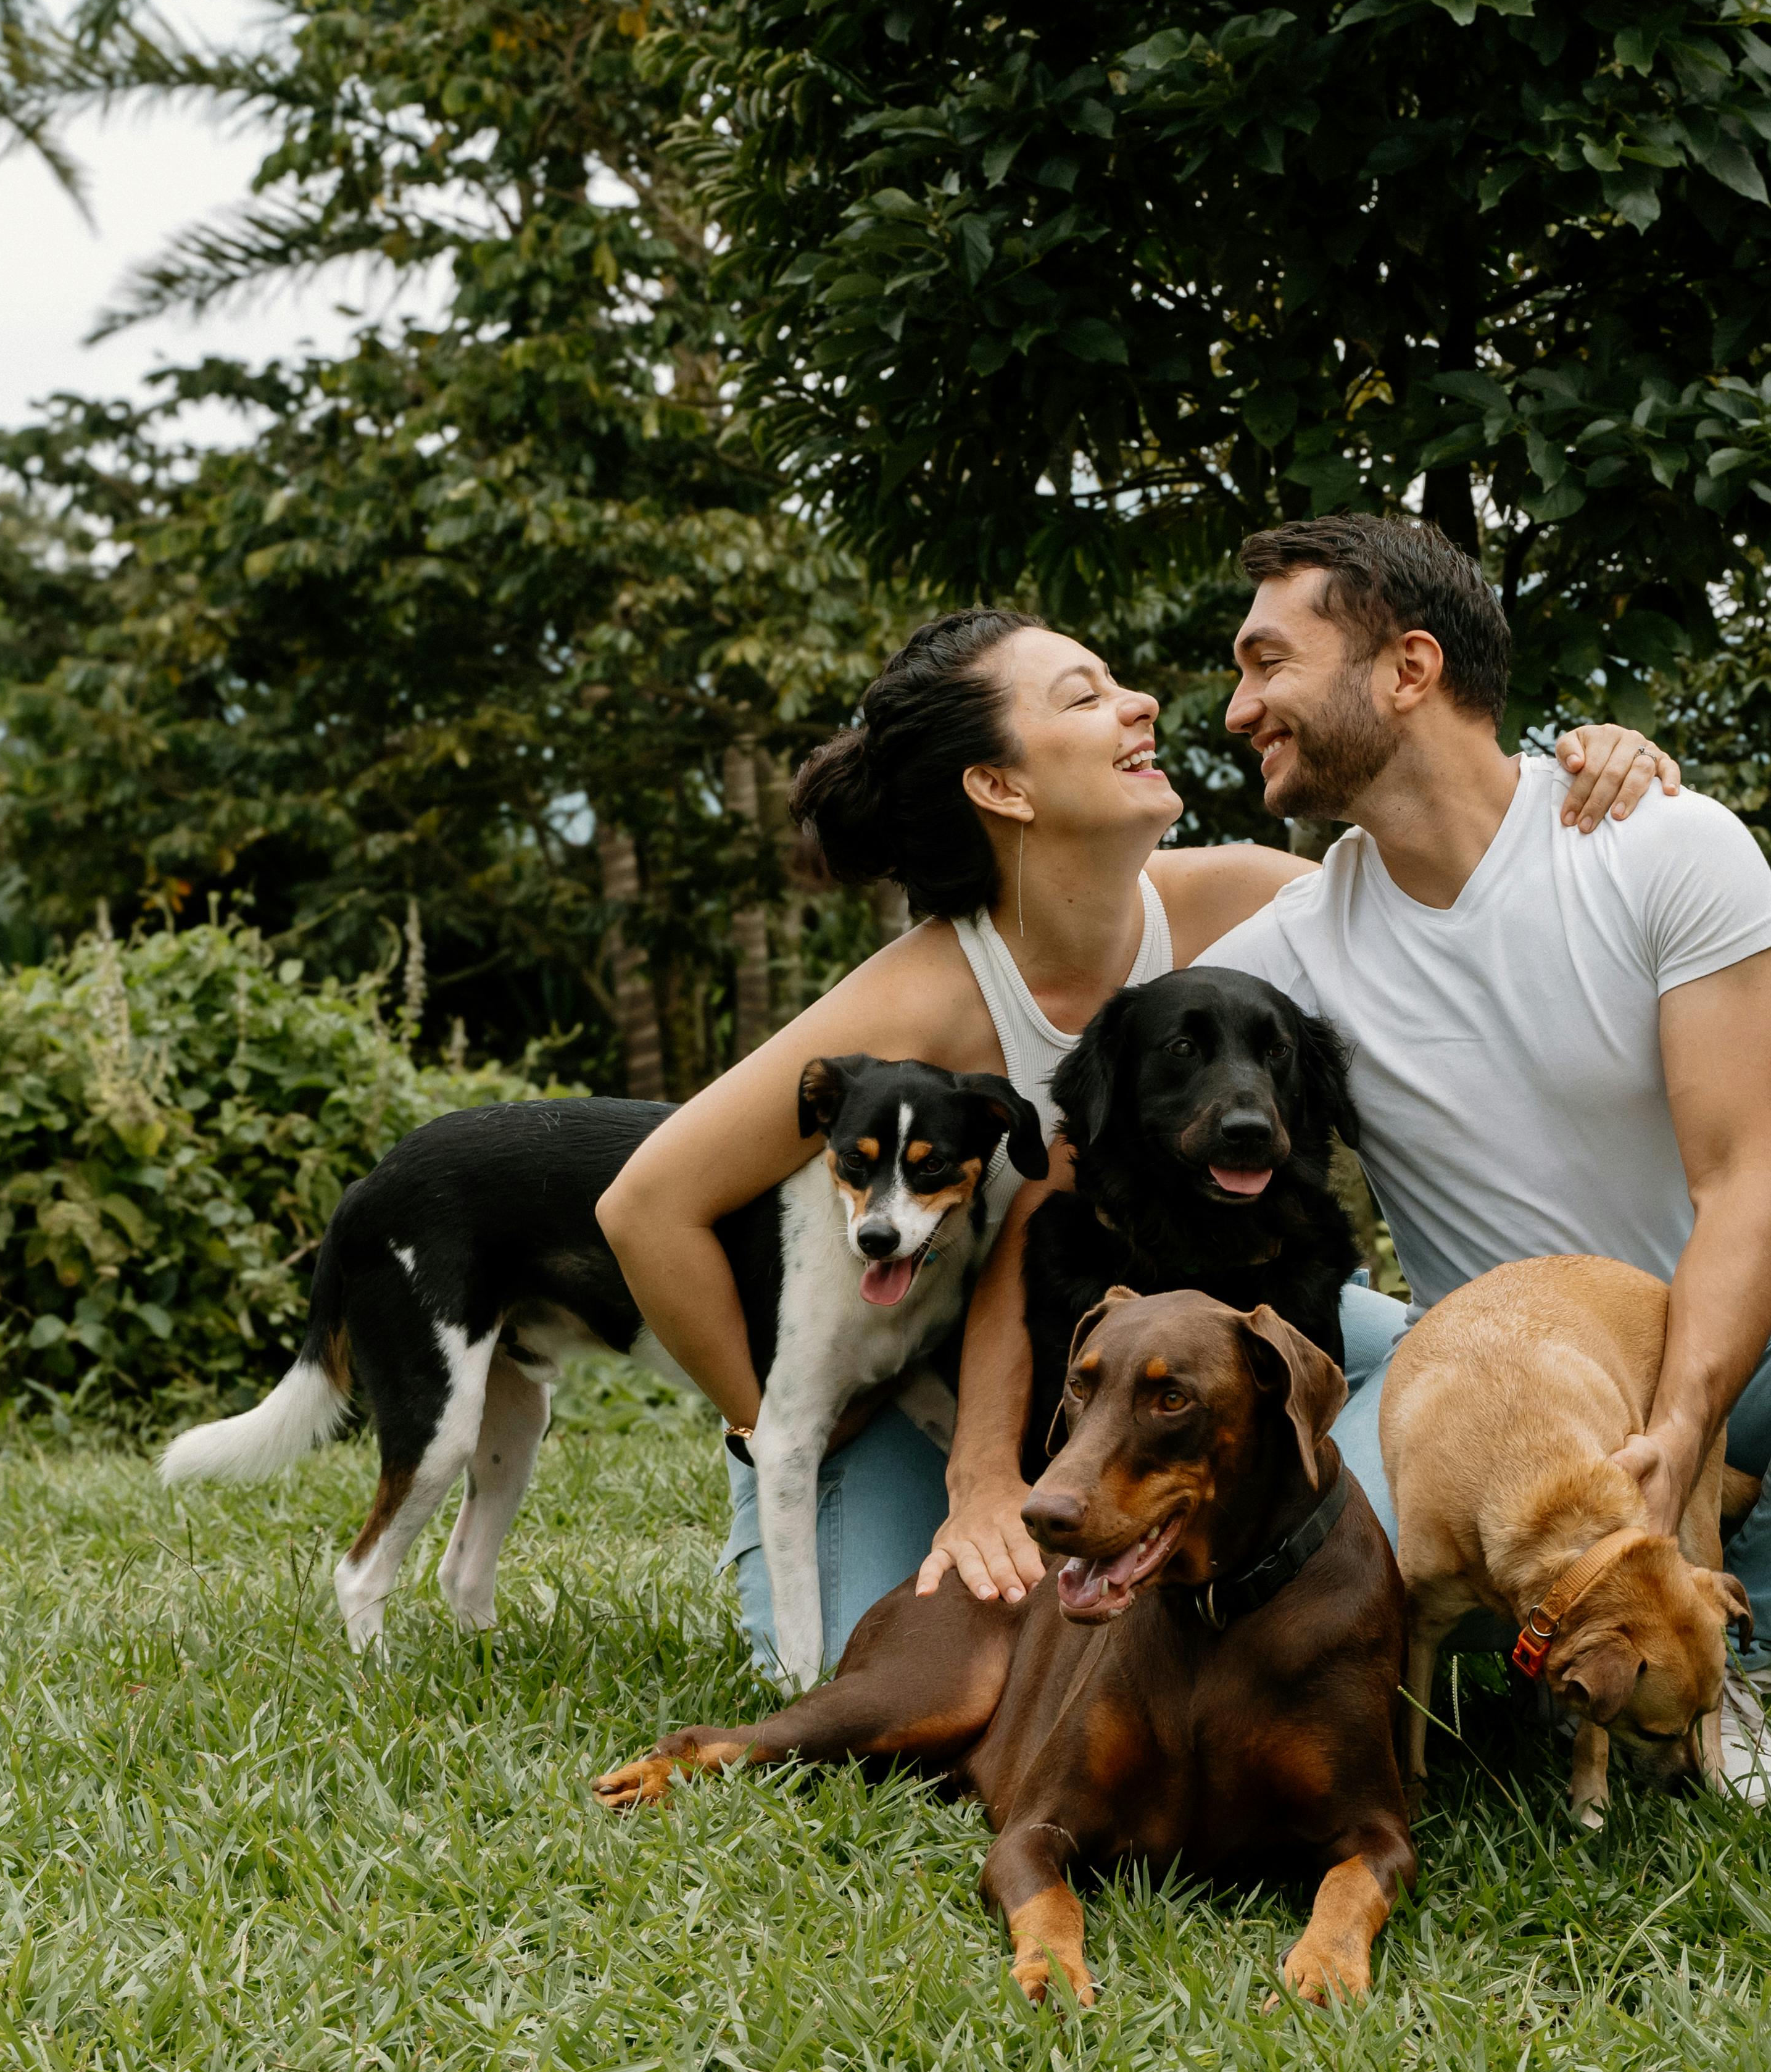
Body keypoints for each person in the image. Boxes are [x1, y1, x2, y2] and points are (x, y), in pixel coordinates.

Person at [924, 517, 1771, 1802]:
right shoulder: (1297, 951)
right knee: (1302, 1600)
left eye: (1267, 664)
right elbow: (1080, 1163)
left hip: (1710, 1356)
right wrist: (980, 1472)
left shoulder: (1663, 845)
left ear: (1407, 668)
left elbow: (1745, 1186)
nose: (1236, 710)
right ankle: (1524, 1653)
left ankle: (1716, 1651)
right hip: (1470, 1407)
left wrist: (1677, 1433)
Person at [592, 607, 1678, 1673]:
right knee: (882, 1664)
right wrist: (778, 1424)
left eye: (1119, 681)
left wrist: (1581, 772)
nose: (1141, 702)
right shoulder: (917, 1001)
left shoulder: (1244, 897)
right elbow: (644, 1209)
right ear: (1001, 786)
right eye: (1087, 695)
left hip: (1211, 1332)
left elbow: (1462, 901)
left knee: (1387, 1526)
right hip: (923, 1384)